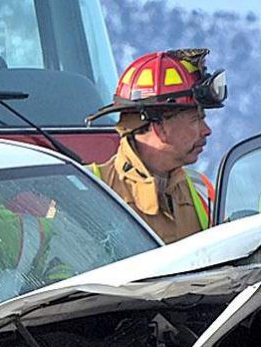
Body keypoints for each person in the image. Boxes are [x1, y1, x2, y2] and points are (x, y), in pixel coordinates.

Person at [87, 48, 225, 244]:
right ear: (159, 126)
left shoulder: (200, 189)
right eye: (195, 120)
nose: (206, 130)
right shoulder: (88, 189)